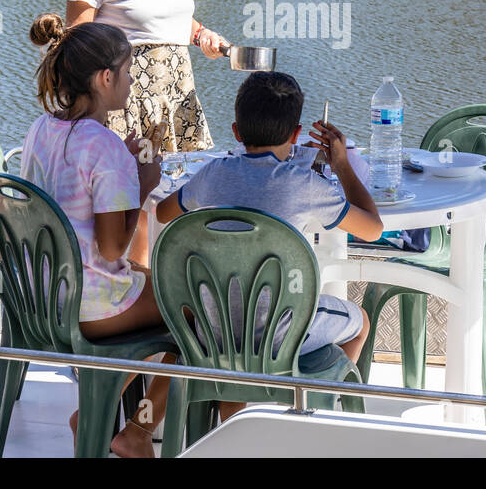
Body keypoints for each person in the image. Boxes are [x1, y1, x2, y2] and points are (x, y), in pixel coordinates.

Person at [155, 71, 382, 412]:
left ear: (235, 131)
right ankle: (312, 410)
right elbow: (373, 229)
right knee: (360, 322)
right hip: (280, 338)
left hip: (211, 332)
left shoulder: (211, 174)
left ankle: (233, 429)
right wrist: (342, 165)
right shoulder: (304, 184)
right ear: (295, 134)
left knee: (234, 326)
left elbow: (162, 214)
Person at [19, 14, 172, 458]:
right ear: (105, 78)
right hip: (87, 304)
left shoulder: (40, 129)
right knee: (198, 311)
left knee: (155, 280)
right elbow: (111, 249)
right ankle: (139, 431)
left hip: (44, 297)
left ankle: (94, 411)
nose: (130, 80)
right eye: (126, 72)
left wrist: (125, 171)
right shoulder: (104, 146)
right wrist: (142, 183)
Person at [66, 0, 227, 260]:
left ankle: (174, 278)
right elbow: (76, 43)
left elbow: (176, 17)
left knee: (183, 197)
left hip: (177, 96)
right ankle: (131, 290)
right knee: (131, 203)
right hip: (122, 100)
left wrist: (201, 34)